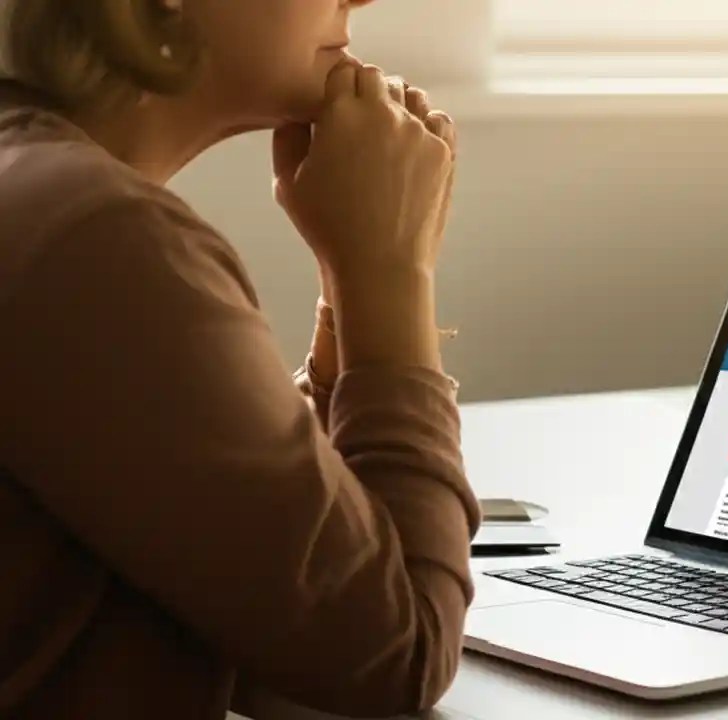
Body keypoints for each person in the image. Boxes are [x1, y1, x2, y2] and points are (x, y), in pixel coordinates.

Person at [0, 1, 480, 717]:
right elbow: (393, 655)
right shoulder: (96, 237)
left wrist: (345, 319)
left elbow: (260, 604)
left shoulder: (38, 189)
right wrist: (388, 275)